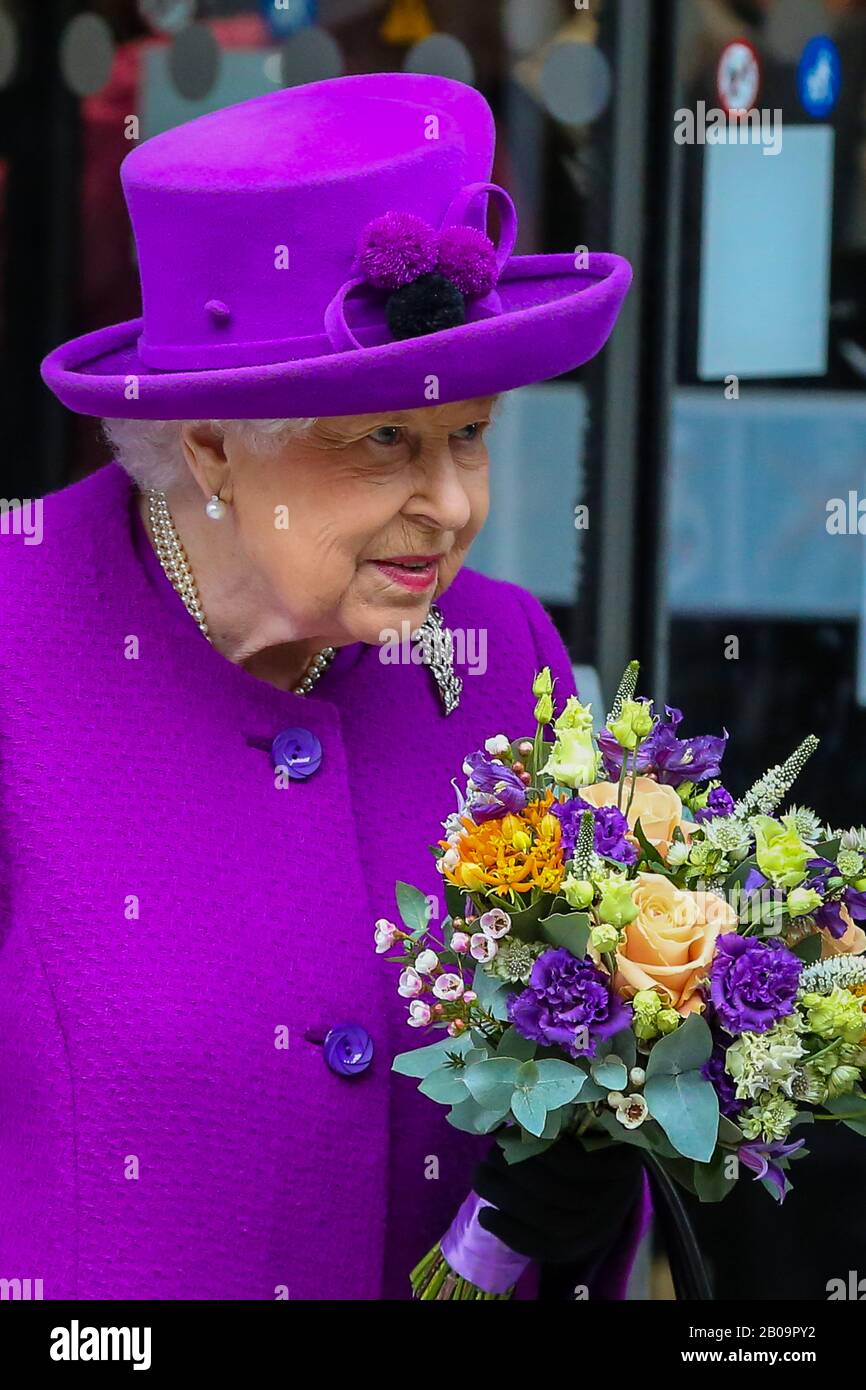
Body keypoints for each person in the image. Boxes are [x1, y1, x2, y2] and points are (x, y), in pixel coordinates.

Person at [0, 71, 647, 1301]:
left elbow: (571, 1110)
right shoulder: (13, 641)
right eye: (384, 443)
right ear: (210, 449)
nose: (453, 505)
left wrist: (587, 1187)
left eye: (471, 434)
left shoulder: (507, 662)